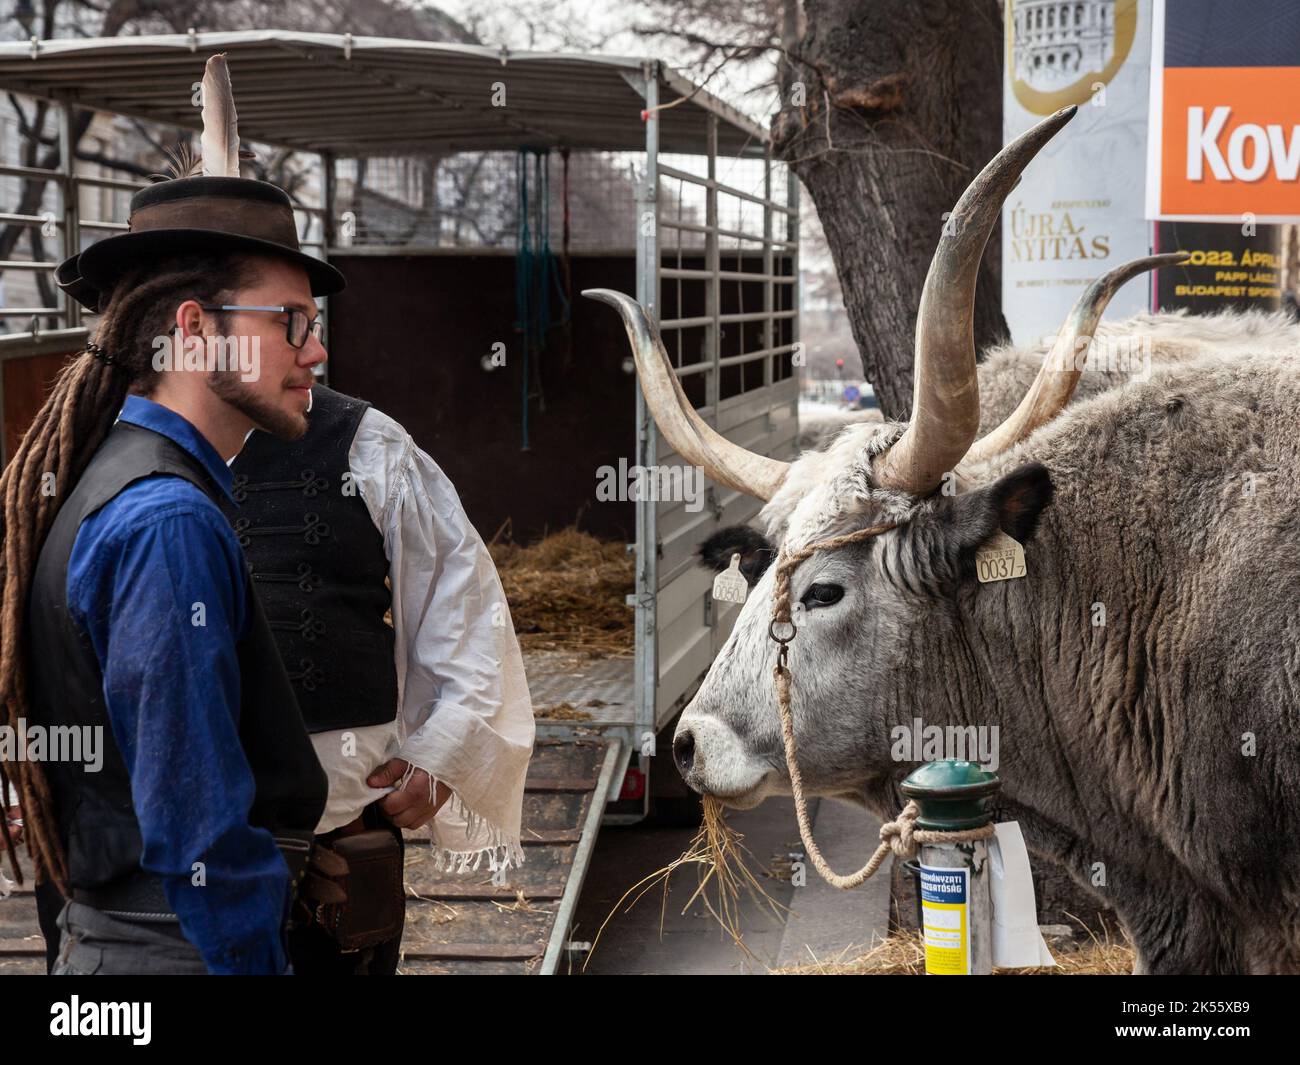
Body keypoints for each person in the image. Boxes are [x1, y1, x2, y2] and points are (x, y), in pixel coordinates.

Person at [0, 56, 336, 974]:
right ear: (194, 329)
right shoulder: (163, 522)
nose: (315, 353)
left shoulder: (114, 481)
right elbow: (199, 831)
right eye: (291, 322)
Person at [225, 384, 536, 975]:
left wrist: (442, 751)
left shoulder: (364, 440)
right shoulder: (117, 447)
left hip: (339, 852)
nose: (312, 350)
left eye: (312, 323)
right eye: (287, 322)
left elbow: (462, 604)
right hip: (167, 867)